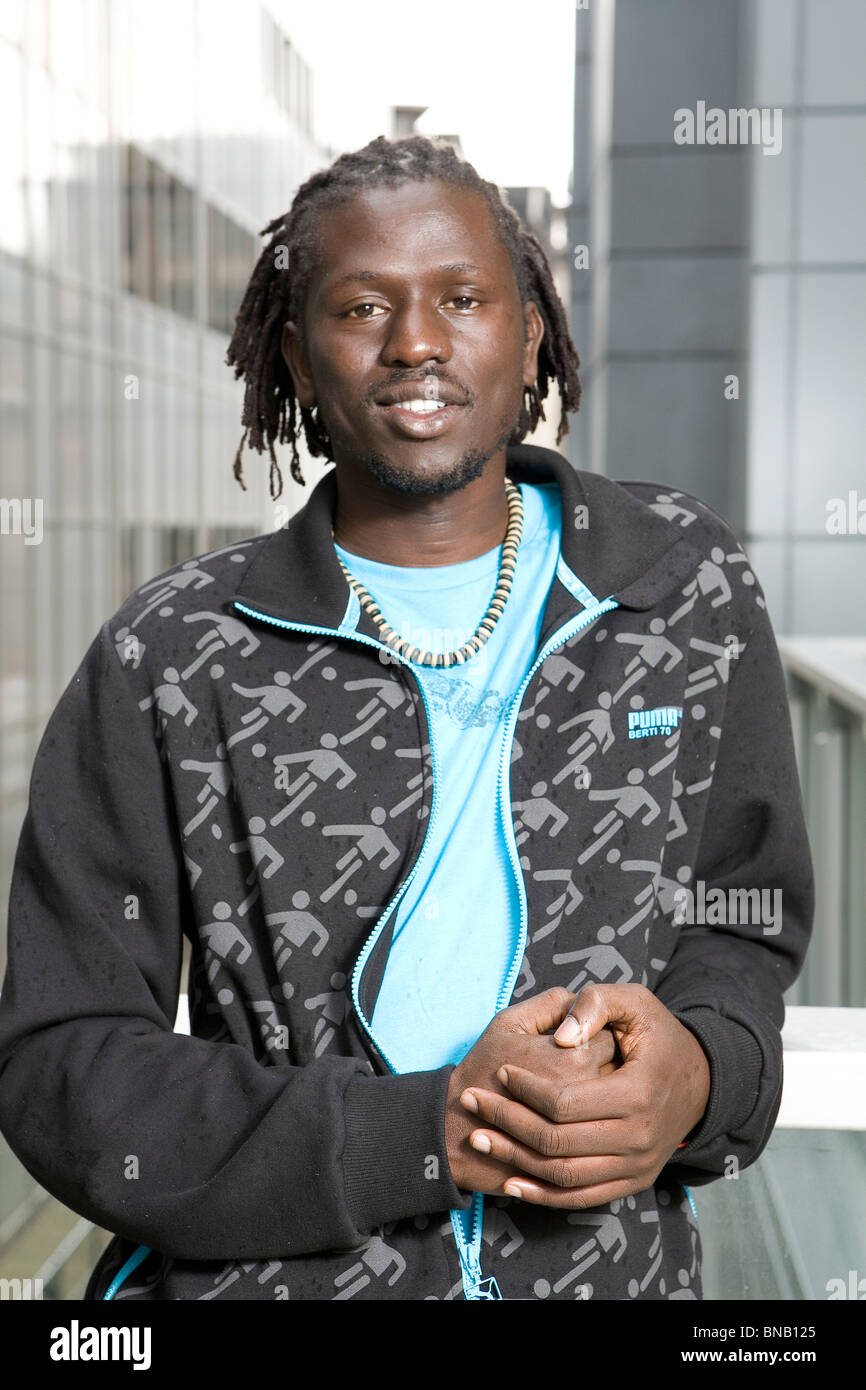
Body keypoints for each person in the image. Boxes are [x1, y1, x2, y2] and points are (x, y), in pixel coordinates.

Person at [0, 134, 813, 1301]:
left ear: (528, 329)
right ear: (295, 354)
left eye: (464, 298)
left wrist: (696, 1074)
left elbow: (739, 936)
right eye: (362, 307)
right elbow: (64, 1067)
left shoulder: (679, 587)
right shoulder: (171, 652)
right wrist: (432, 1131)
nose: (416, 343)